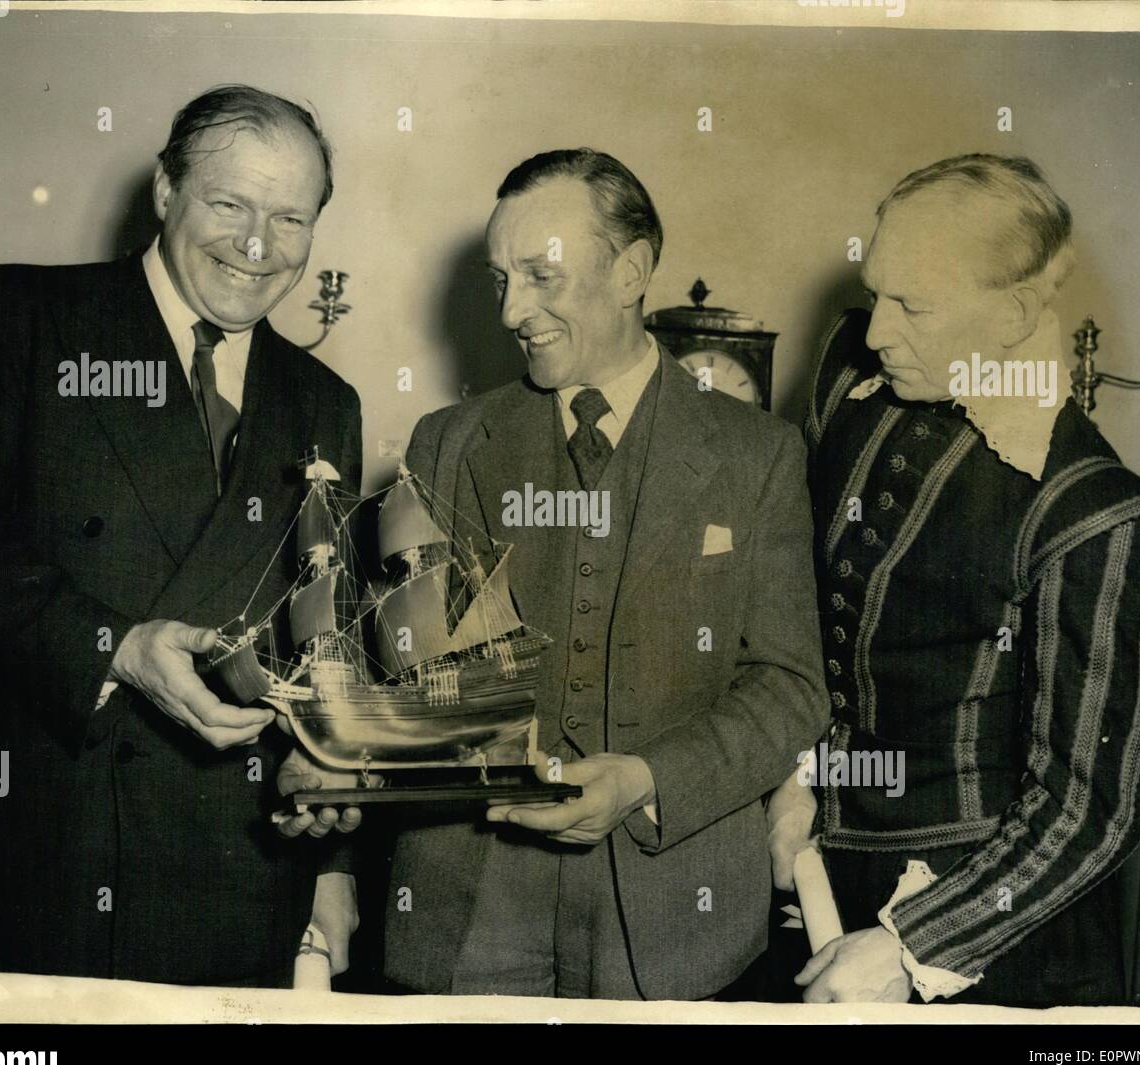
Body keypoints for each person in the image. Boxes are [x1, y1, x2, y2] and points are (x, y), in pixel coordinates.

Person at [281, 148, 829, 1000]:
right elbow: (416, 682)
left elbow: (790, 688)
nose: (512, 309)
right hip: (470, 910)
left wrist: (647, 779)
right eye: (501, 278)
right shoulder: (448, 442)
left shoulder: (759, 454)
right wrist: (341, 759)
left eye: (542, 275)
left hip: (676, 922)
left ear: (633, 270)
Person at [0, 85, 362, 987]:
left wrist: (328, 821)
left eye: (290, 217)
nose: (257, 246)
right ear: (165, 191)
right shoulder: (7, 320)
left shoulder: (327, 402)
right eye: (230, 204)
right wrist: (113, 646)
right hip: (40, 864)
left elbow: (327, 639)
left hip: (234, 888)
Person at [778, 154, 1140, 1006]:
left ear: (1017, 311)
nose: (875, 329)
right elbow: (815, 628)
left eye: (913, 305)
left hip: (985, 936)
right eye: (875, 291)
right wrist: (798, 777)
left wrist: (908, 947)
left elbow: (1091, 810)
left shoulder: (1093, 508)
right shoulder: (853, 383)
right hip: (822, 876)